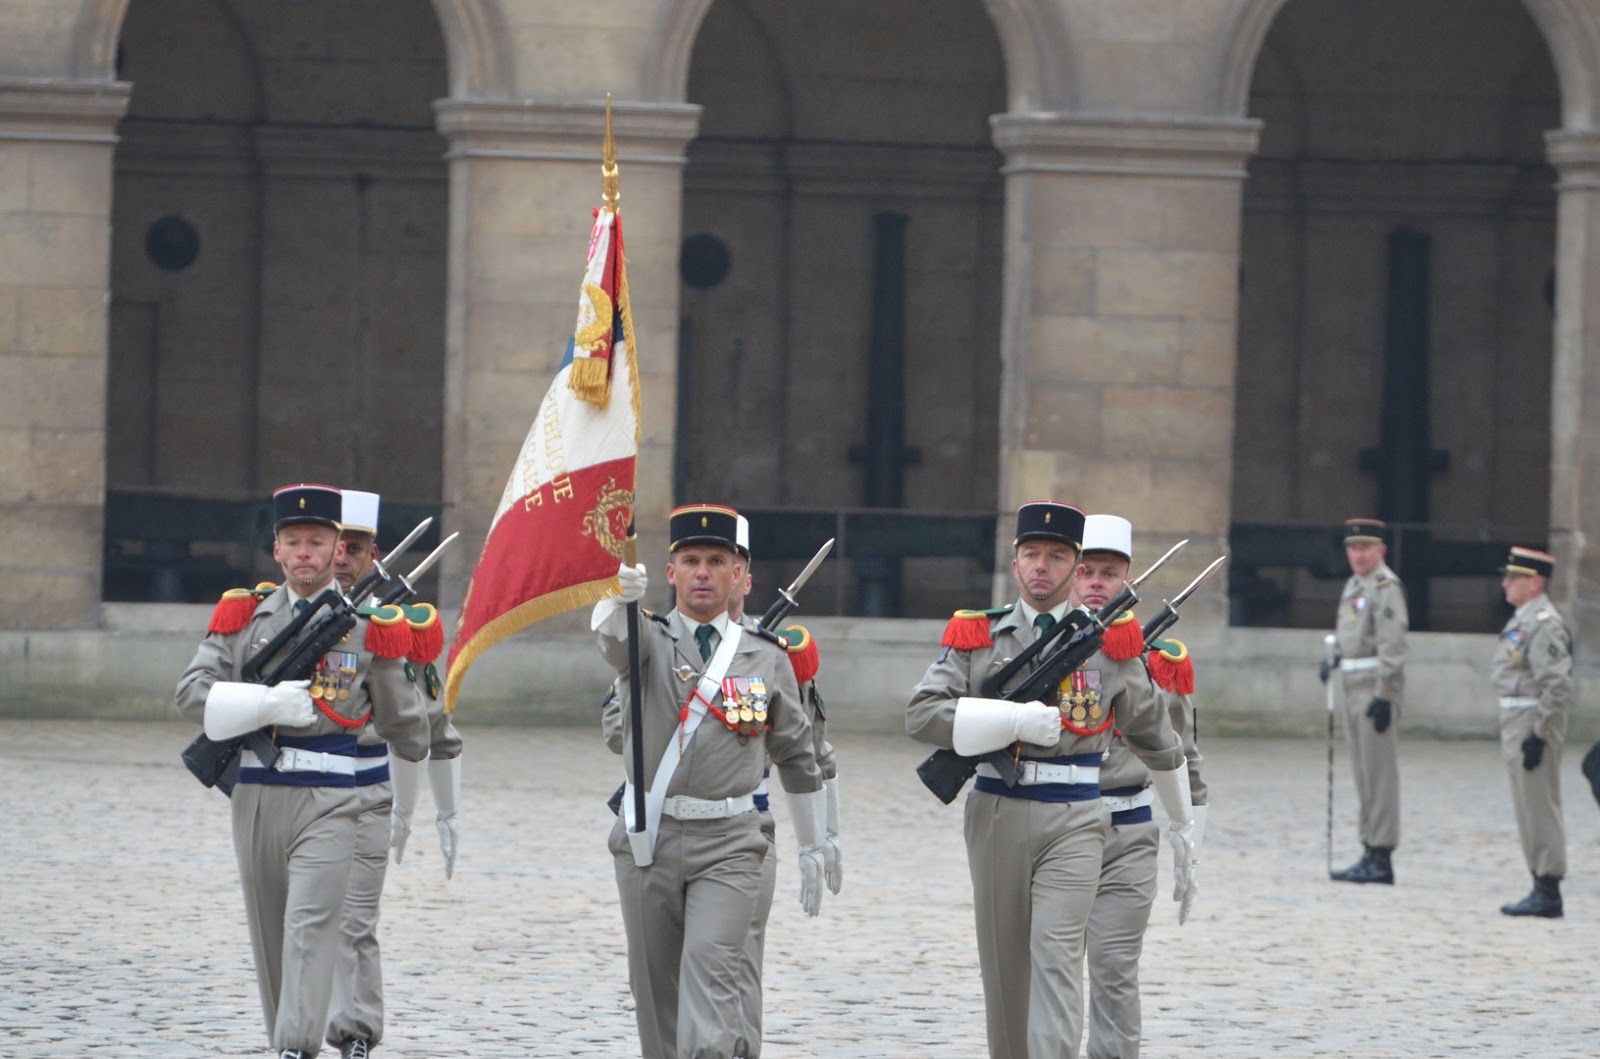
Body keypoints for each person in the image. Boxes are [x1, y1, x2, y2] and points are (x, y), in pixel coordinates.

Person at [906, 501, 1195, 1059]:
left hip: (1077, 815)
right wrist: (1008, 720)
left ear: (1074, 565)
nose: (1042, 566)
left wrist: (1184, 822)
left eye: (1057, 556)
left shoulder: (1110, 642)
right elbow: (922, 715)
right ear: (1015, 563)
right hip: (997, 807)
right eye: (1031, 554)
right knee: (1005, 967)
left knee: (1057, 959)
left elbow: (1157, 735)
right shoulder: (977, 635)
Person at [176, 484, 431, 1059]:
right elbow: (192, 693)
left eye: (317, 541)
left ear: (337, 546)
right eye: (293, 542)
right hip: (259, 792)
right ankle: (285, 1039)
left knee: (312, 928)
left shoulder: (369, 625)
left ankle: (298, 1048)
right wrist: (261, 706)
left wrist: (409, 785)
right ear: (277, 551)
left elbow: (403, 720)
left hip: (333, 796)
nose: (305, 552)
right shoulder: (244, 616)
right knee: (270, 933)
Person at [592, 503, 828, 1059]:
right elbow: (611, 643)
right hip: (650, 837)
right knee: (655, 997)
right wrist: (613, 598)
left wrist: (816, 842)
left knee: (713, 979)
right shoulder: (645, 638)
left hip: (732, 841)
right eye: (690, 560)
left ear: (740, 575)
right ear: (669, 572)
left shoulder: (766, 656)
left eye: (717, 560)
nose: (703, 572)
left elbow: (797, 750)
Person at [326, 490, 464, 1059]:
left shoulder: (394, 627)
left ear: (372, 554)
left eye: (353, 548)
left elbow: (432, 726)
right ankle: (295, 1030)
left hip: (363, 793)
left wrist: (440, 814)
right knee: (299, 922)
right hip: (291, 789)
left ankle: (355, 1032)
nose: (339, 559)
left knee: (353, 921)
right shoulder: (272, 614)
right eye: (331, 545)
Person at [1076, 515, 1207, 1059]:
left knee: (1113, 967)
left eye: (1109, 572)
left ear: (1129, 579)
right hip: (1058, 820)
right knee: (1048, 967)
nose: (1095, 582)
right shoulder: (1036, 650)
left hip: (1128, 826)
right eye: (1085, 570)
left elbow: (1186, 759)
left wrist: (1189, 844)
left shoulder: (1156, 660)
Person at [1323, 518, 1408, 885]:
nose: (1358, 554)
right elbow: (1352, 633)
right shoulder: (1355, 585)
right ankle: (1368, 846)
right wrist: (1335, 659)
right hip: (1352, 683)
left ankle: (1382, 852)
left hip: (1374, 685)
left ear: (1380, 551)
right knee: (1362, 772)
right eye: (1353, 548)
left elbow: (1392, 646)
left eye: (1365, 548)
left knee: (1379, 775)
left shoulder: (1386, 587)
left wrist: (1386, 695)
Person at [1492, 546, 1573, 918]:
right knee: (1527, 807)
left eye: (1514, 577)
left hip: (1531, 723)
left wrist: (1540, 732)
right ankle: (1538, 880)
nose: (1506, 583)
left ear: (1535, 582)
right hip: (1516, 720)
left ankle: (1548, 887)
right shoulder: (1523, 619)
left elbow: (1556, 686)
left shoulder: (1543, 622)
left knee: (1539, 806)